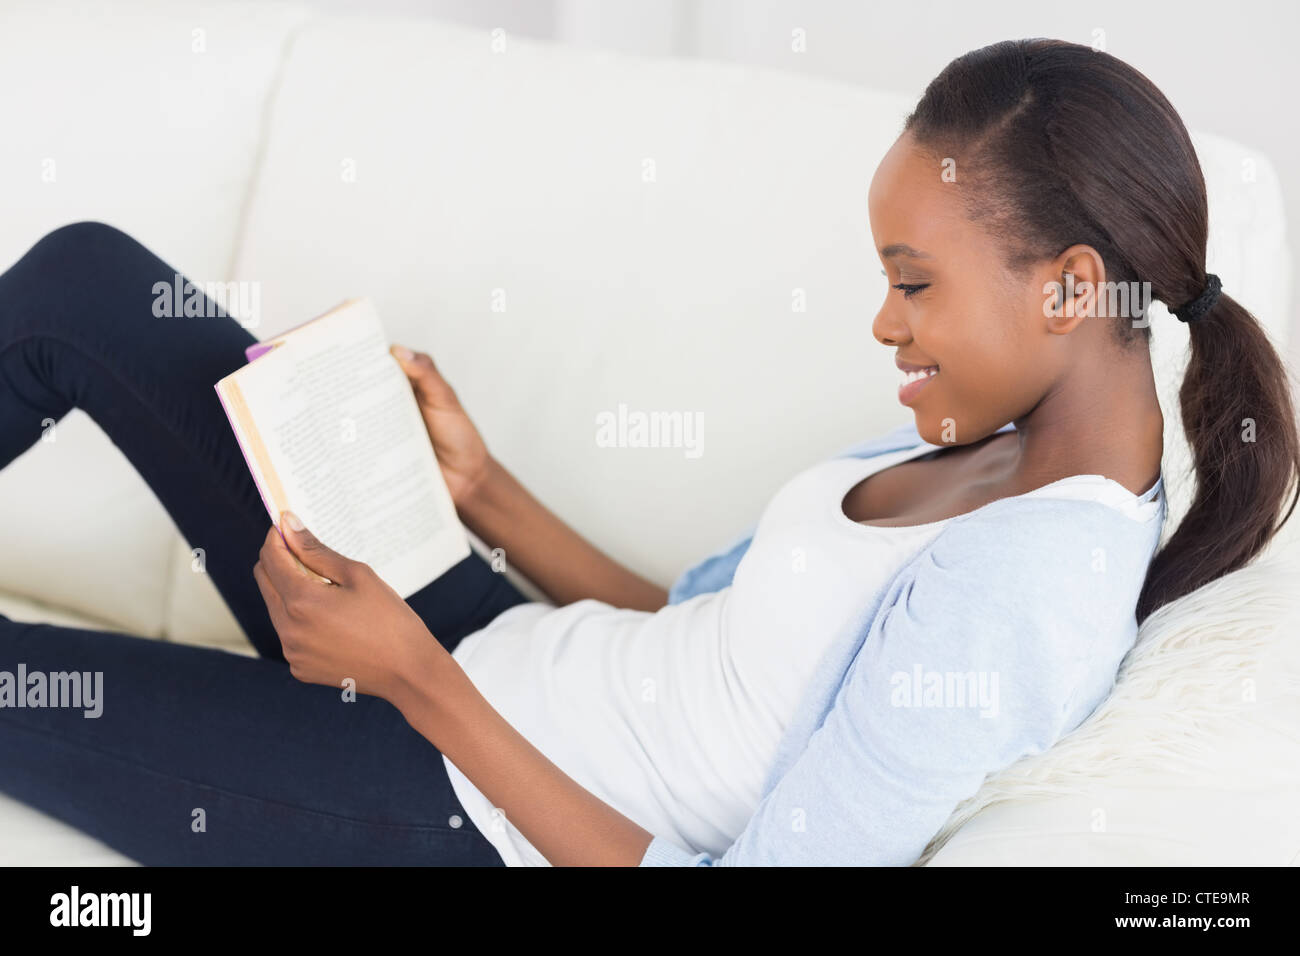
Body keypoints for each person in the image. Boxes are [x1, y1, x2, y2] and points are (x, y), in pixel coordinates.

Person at [1, 38, 1296, 866]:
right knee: (88, 284)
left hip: (454, 806)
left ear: (1071, 289)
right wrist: (484, 492)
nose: (886, 323)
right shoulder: (996, 445)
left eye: (915, 282)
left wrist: (412, 687)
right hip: (475, 654)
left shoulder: (1029, 594)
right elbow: (694, 631)